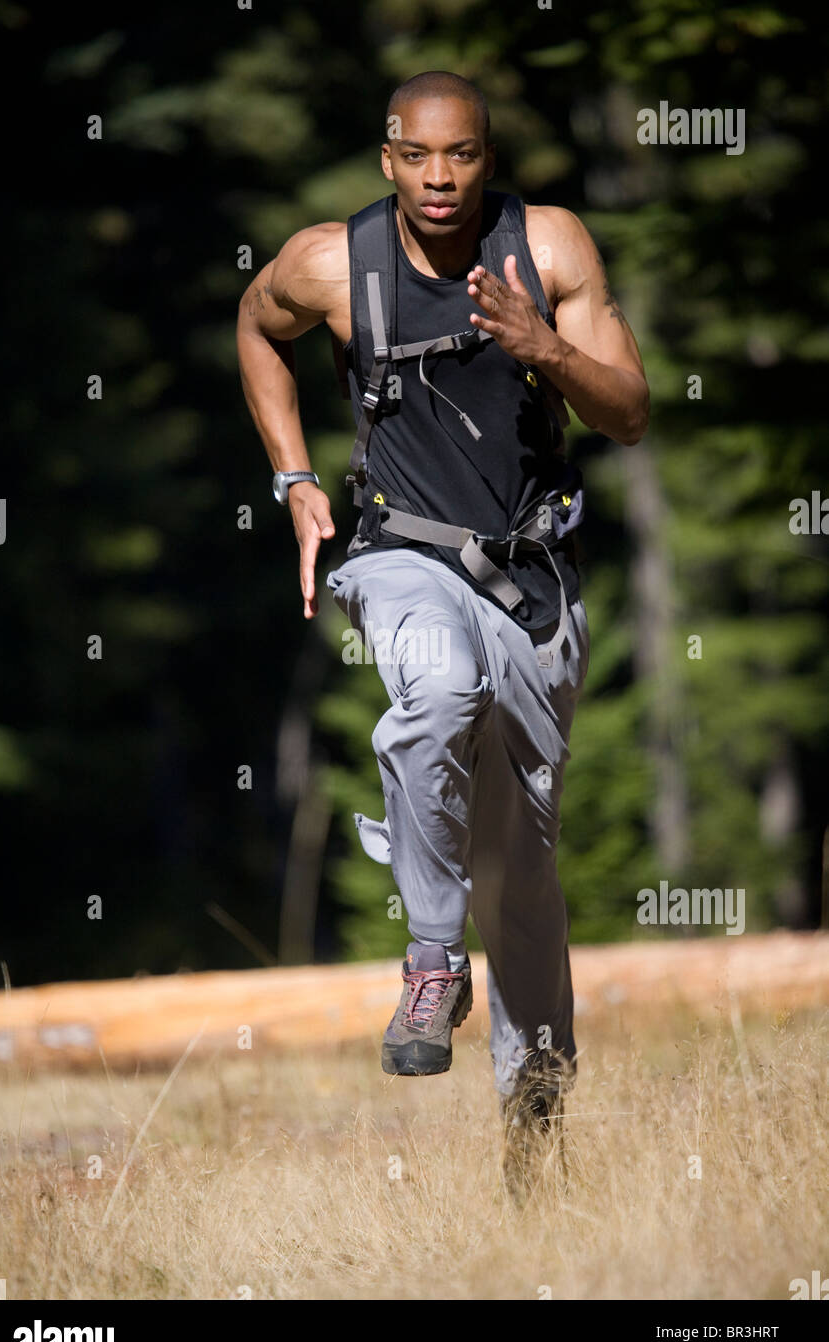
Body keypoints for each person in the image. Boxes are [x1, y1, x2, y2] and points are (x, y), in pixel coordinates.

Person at [237, 71, 649, 1192]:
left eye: (459, 156)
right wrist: (292, 481)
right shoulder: (331, 262)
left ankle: (536, 1116)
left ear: (485, 157)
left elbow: (628, 409)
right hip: (398, 554)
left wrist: (543, 348)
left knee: (520, 871)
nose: (436, 178)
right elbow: (255, 329)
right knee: (436, 688)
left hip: (531, 581)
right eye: (416, 157)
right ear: (386, 159)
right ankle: (428, 958)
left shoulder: (549, 248)